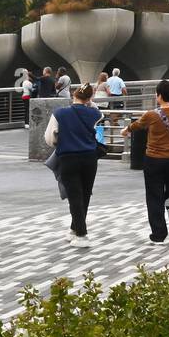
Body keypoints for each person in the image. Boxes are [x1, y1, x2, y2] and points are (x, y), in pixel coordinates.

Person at [121, 80, 169, 244]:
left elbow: (137, 125)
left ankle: (158, 233)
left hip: (154, 160)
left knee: (154, 195)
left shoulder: (151, 114)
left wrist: (125, 130)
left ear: (158, 95)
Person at [44, 82, 101, 244]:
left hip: (68, 157)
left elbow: (49, 138)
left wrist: (61, 141)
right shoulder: (95, 114)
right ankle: (74, 229)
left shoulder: (59, 113)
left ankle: (82, 235)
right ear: (90, 98)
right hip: (90, 157)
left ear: (73, 95)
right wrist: (90, 102)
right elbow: (96, 112)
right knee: (85, 193)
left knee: (74, 195)